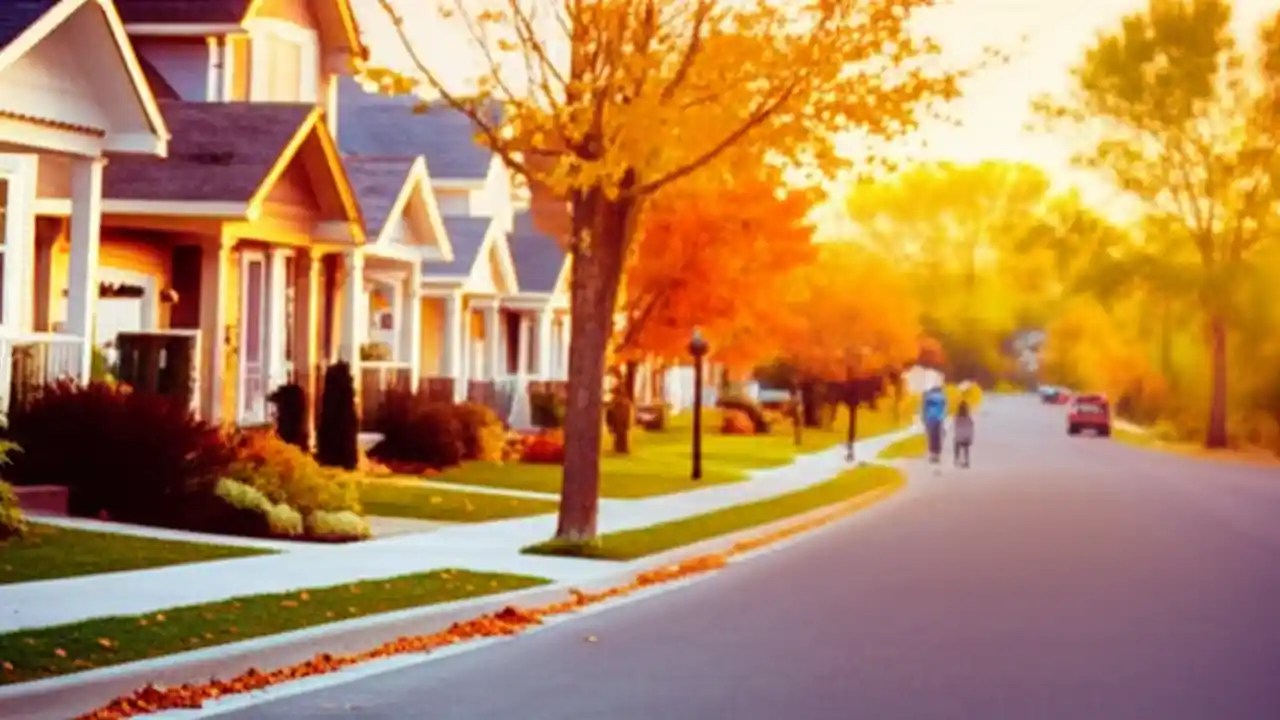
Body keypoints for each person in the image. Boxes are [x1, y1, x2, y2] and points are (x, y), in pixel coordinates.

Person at [921, 385, 947, 463]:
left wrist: (924, 418)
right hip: (939, 419)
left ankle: (932, 455)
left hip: (930, 419)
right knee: (938, 438)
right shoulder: (942, 397)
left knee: (931, 437)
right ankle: (937, 456)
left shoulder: (928, 397)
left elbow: (924, 408)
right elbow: (944, 408)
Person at [953, 400, 974, 468]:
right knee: (966, 449)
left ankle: (957, 459)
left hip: (959, 437)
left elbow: (955, 426)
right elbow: (971, 426)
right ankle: (966, 461)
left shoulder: (957, 417)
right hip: (966, 437)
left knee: (956, 446)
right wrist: (970, 437)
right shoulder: (969, 418)